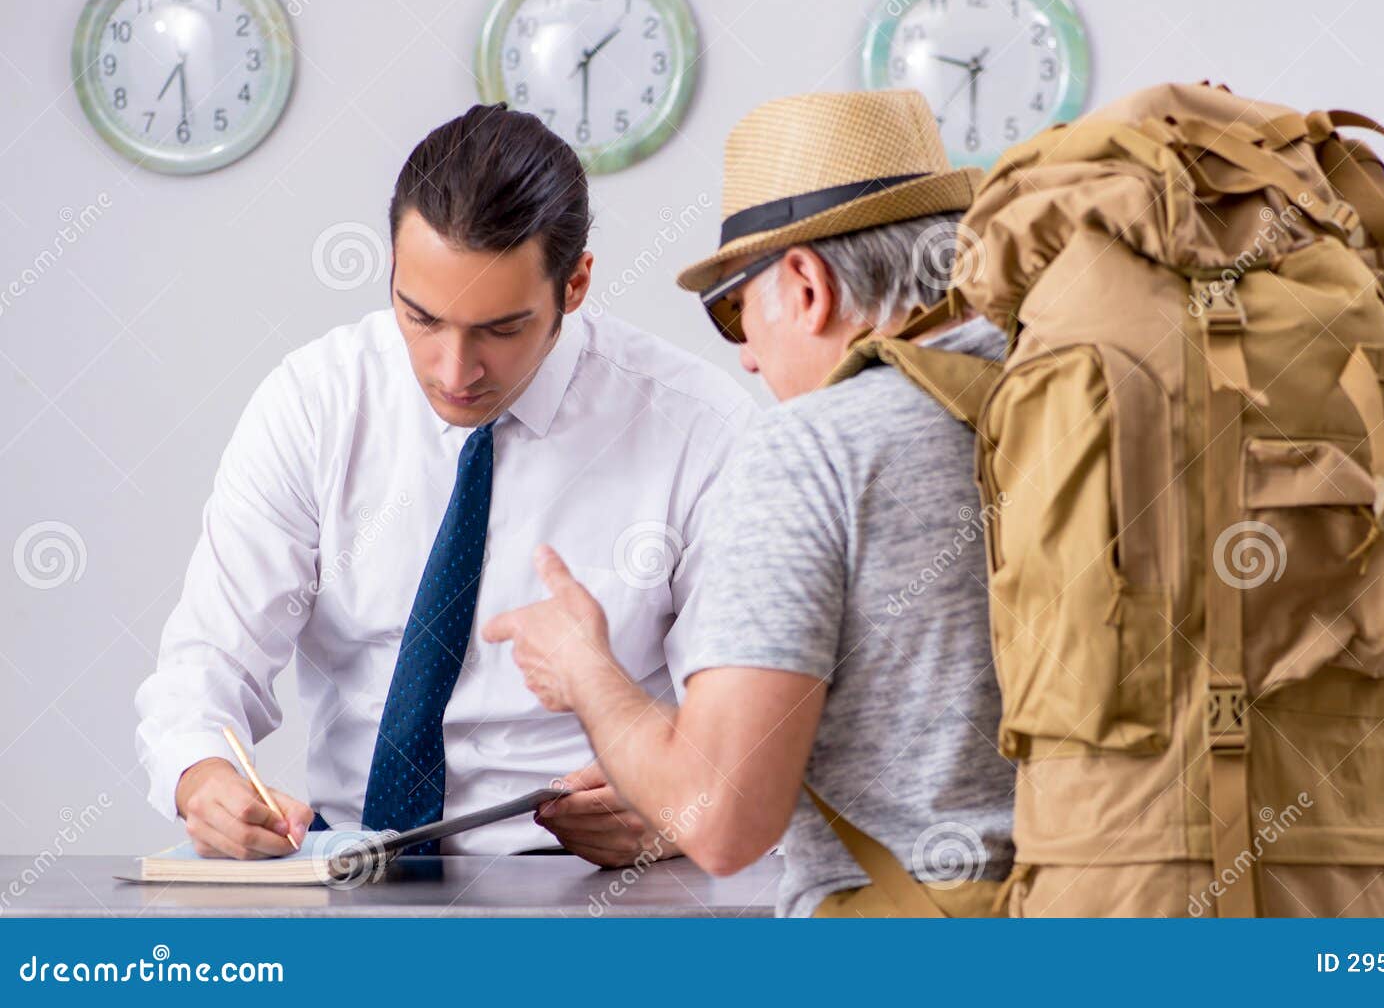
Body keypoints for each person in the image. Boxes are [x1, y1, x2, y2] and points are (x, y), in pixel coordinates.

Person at [134, 103, 752, 863]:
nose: (454, 373)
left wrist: (673, 808)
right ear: (391, 270)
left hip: (597, 881)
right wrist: (203, 777)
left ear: (577, 282)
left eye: (501, 329)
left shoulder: (700, 428)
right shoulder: (316, 403)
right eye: (421, 317)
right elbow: (207, 664)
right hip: (352, 867)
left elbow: (759, 730)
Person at [485, 90, 1015, 916]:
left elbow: (721, 819)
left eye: (735, 309)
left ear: (805, 286)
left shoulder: (813, 448)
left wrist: (586, 670)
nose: (750, 365)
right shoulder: (1072, 403)